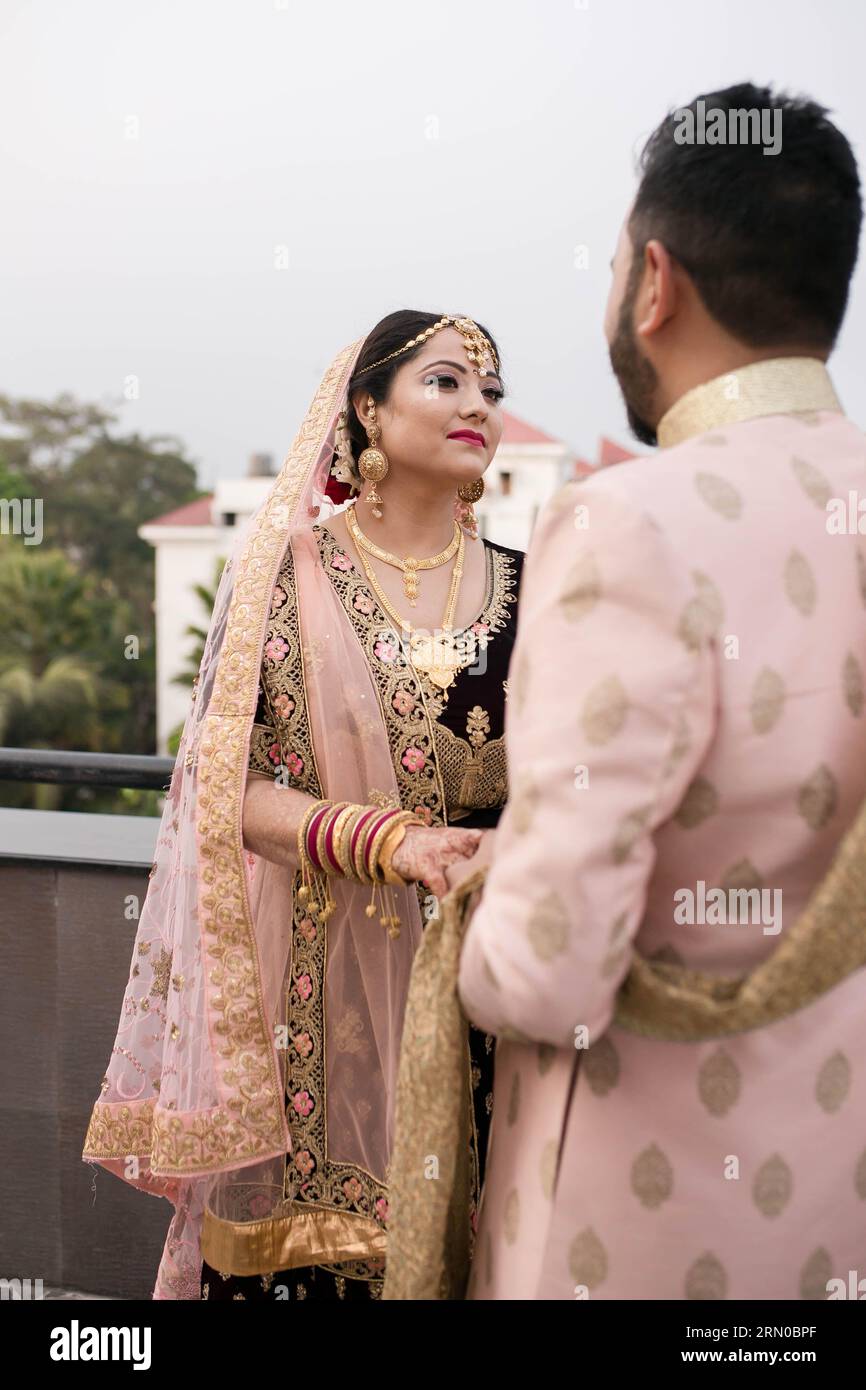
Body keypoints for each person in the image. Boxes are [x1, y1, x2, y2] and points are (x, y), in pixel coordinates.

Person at [433, 84, 865, 1299]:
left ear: (654, 282)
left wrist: (475, 914)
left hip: (646, 1211)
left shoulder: (632, 523)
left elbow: (546, 971)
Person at [81, 310, 525, 1300]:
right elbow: (219, 787)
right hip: (320, 1008)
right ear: (365, 408)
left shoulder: (532, 589)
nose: (477, 407)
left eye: (490, 388)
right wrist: (384, 840)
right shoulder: (287, 577)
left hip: (491, 983)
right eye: (446, 381)